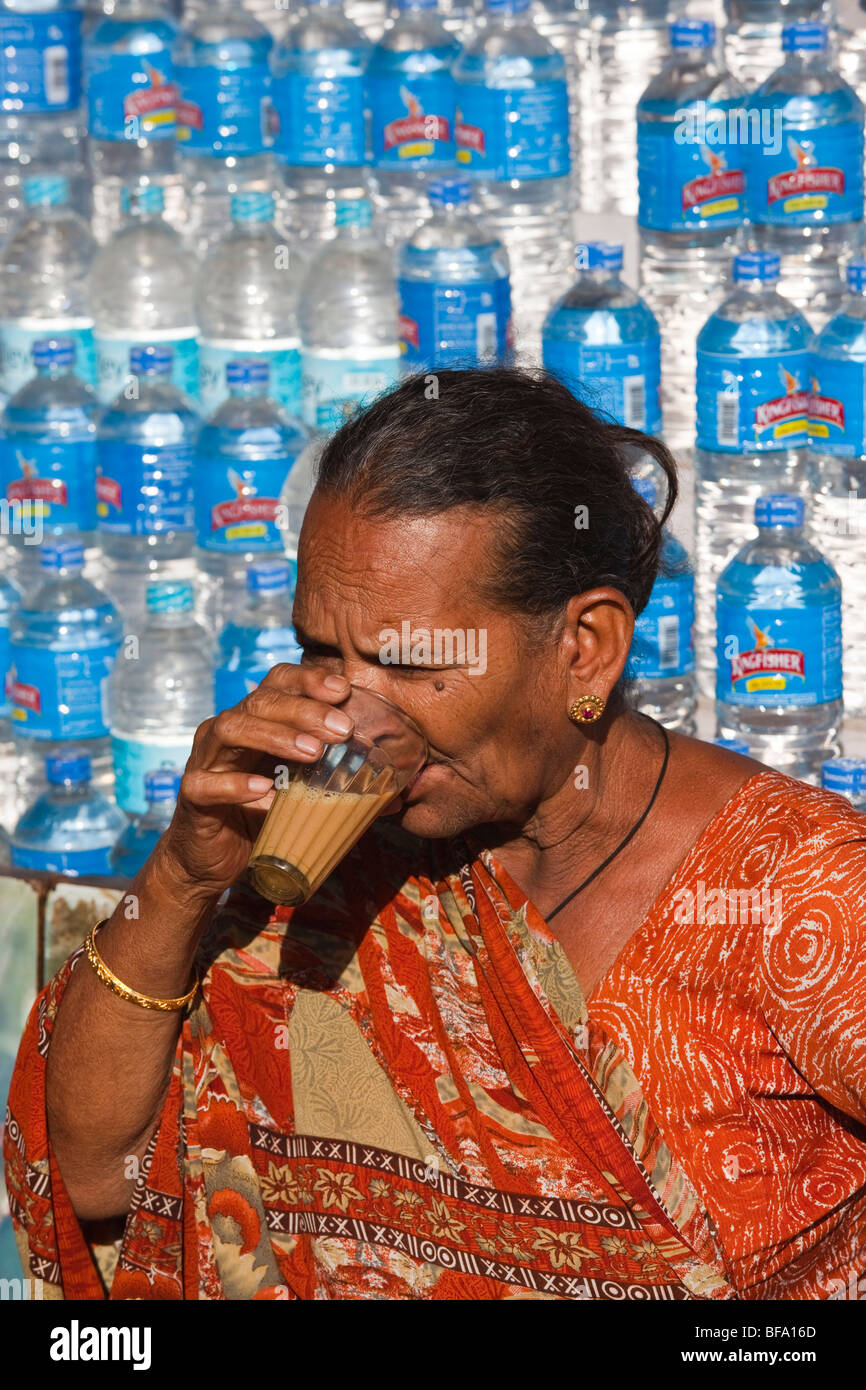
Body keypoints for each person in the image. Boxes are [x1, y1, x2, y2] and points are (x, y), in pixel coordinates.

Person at [5, 369, 865, 1301]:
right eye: (321, 653)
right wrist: (179, 877)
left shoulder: (797, 896)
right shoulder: (337, 857)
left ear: (586, 648)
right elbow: (95, 1175)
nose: (350, 708)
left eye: (407, 661)